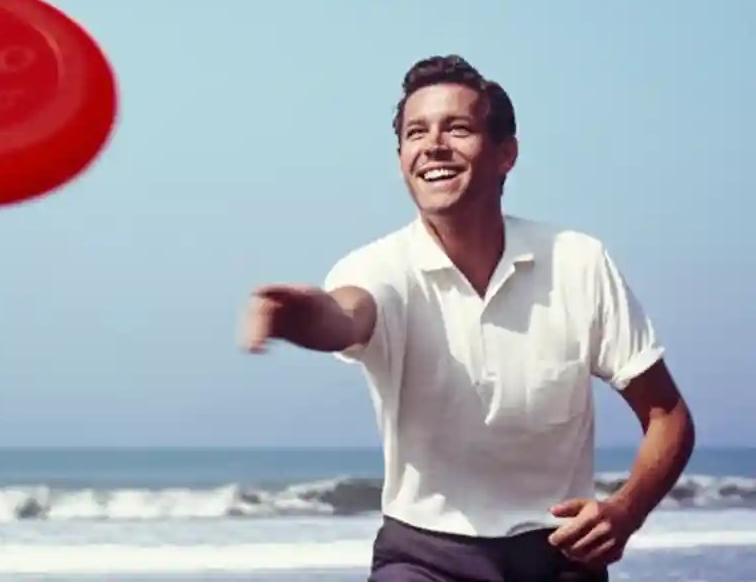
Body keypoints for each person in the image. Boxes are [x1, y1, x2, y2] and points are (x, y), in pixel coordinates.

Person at [239, 55, 695, 581]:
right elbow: (345, 315)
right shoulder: (377, 267)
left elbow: (667, 416)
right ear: (401, 157)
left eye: (457, 128)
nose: (433, 145)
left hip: (560, 555)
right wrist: (299, 317)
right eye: (416, 133)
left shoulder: (578, 261)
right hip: (424, 558)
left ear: (506, 154)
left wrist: (625, 511)